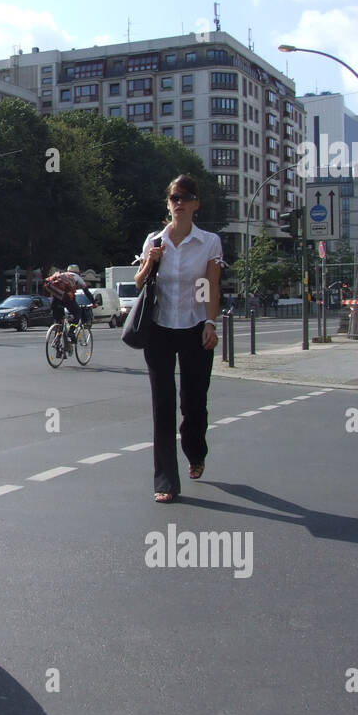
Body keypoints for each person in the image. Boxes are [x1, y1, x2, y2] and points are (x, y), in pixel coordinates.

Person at [134, 175, 222, 504]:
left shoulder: (209, 242)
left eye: (186, 197)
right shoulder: (154, 240)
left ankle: (195, 452)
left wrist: (210, 322)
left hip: (195, 327)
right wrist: (150, 262)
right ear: (168, 204)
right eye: (174, 198)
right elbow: (140, 282)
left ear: (196, 204)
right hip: (159, 328)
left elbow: (212, 284)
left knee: (194, 403)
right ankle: (166, 480)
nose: (179, 203)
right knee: (163, 404)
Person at [45, 265, 87, 332]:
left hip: (55, 300)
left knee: (59, 320)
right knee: (77, 313)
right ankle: (71, 331)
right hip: (67, 299)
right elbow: (86, 291)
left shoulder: (60, 275)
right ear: (77, 272)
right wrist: (94, 303)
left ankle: (58, 336)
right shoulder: (77, 277)